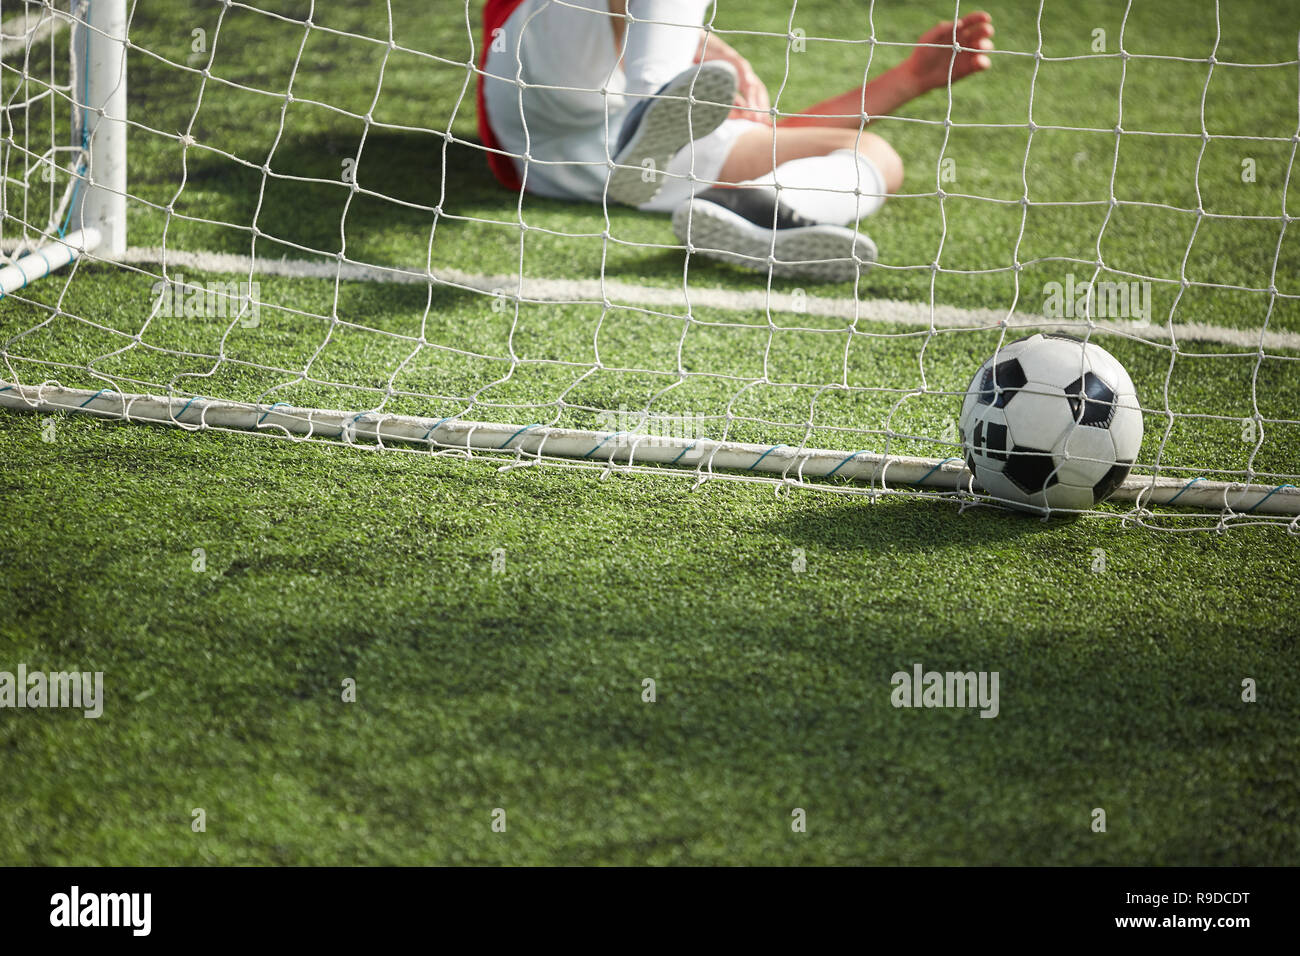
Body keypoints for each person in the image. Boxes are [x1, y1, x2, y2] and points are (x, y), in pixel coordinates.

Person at [476, 1, 994, 280]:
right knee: (658, 108)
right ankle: (650, 102)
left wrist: (906, 79)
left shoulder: (704, 87)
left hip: (599, 167)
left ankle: (756, 209)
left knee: (877, 157)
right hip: (537, 76)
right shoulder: (681, 46)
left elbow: (773, 140)